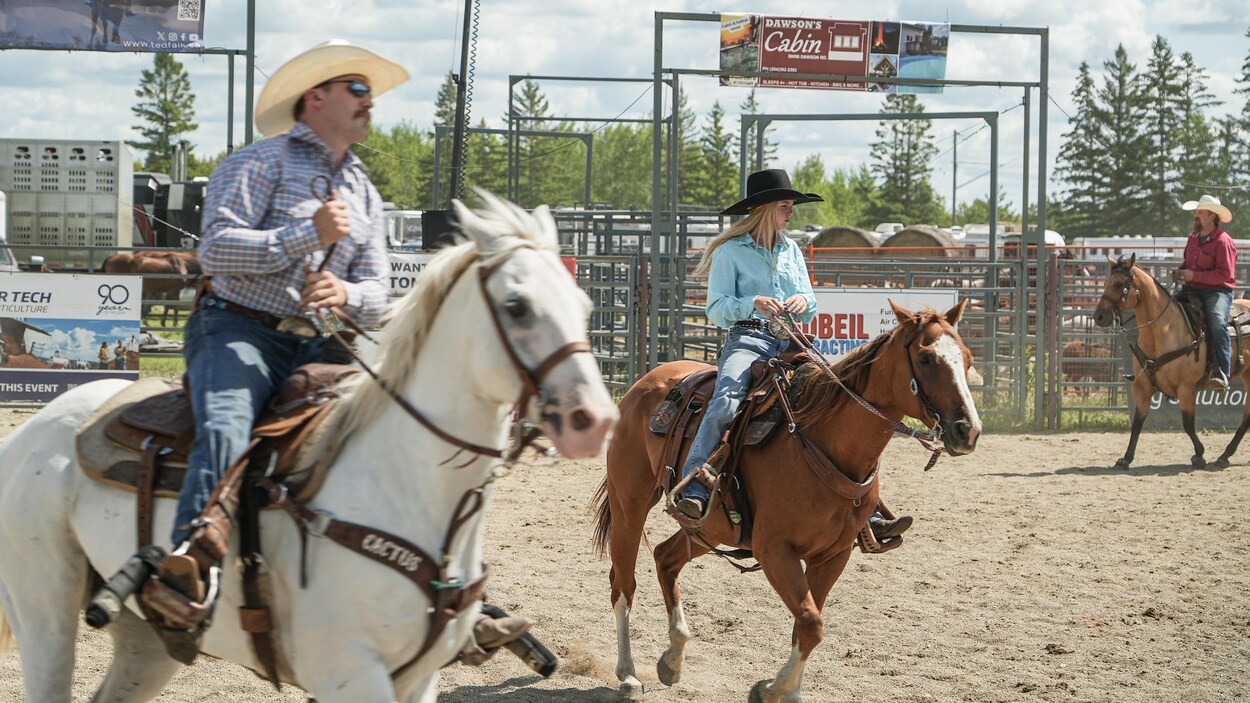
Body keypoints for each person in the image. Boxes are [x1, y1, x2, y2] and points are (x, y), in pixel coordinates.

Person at [136, 39, 530, 655]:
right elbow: (215, 251)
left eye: (369, 93)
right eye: (358, 89)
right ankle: (187, 566)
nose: (370, 102)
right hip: (239, 327)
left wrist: (343, 289)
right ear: (315, 98)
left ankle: (447, 582)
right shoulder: (258, 163)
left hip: (320, 341)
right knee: (229, 424)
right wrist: (304, 237)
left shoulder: (363, 189)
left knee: (404, 431)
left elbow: (377, 291)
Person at [672, 169, 911, 542]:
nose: (791, 213)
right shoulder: (730, 252)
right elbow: (716, 309)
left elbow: (810, 302)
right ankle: (695, 485)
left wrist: (804, 301)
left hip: (793, 341)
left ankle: (865, 510)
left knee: (842, 397)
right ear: (764, 208)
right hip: (749, 339)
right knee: (726, 399)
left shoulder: (791, 249)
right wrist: (753, 303)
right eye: (785, 206)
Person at [1173, 194, 1236, 391]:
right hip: (1192, 289)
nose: (1196, 215)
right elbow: (1188, 263)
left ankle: (1222, 373)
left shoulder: (1223, 242)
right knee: (1166, 311)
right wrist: (1180, 271)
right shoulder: (1193, 239)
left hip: (1217, 292)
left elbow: (1225, 275)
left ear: (1212, 216)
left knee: (1217, 322)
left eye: (1200, 212)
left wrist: (1194, 276)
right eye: (1197, 211)